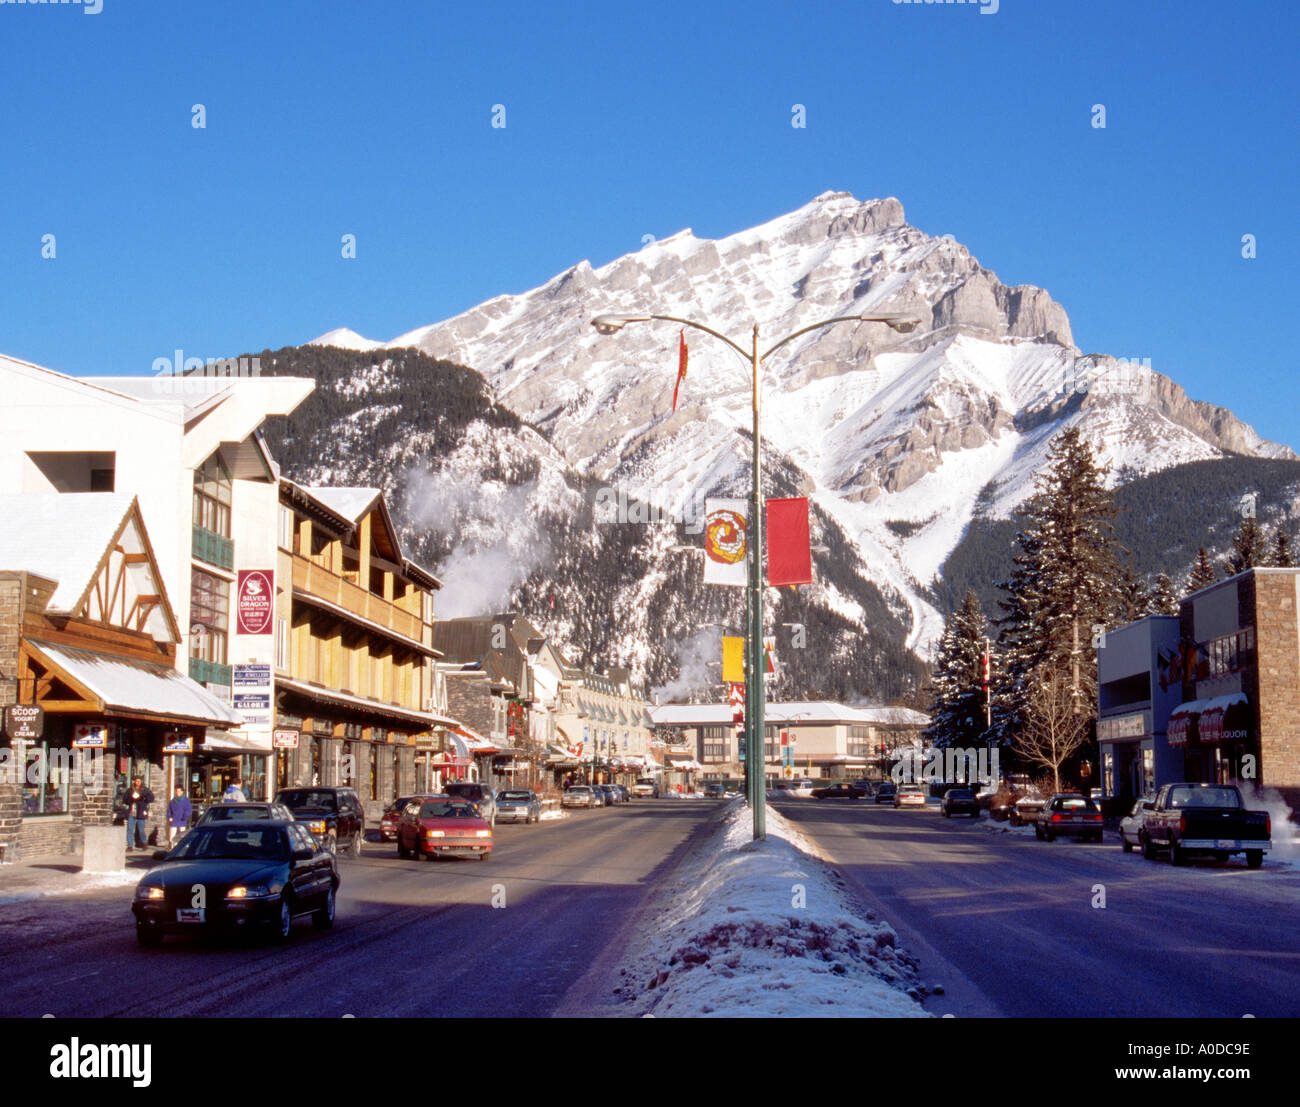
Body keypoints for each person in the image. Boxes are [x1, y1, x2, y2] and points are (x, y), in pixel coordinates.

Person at [124, 775, 154, 851]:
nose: (138, 782)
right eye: (136, 781)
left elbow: (151, 798)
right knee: (130, 829)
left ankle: (144, 843)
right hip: (132, 812)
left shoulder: (145, 790)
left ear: (141, 782)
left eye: (139, 781)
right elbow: (125, 800)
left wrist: (143, 798)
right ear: (134, 781)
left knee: (141, 829)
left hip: (140, 812)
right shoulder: (130, 790)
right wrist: (131, 799)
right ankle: (130, 845)